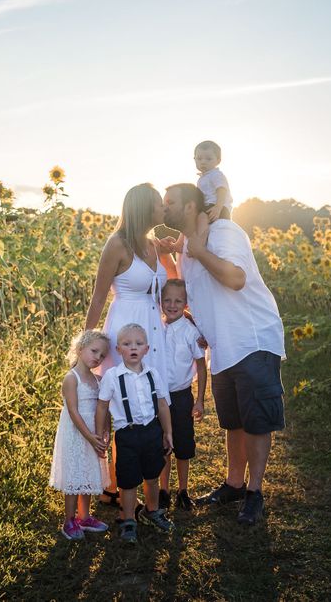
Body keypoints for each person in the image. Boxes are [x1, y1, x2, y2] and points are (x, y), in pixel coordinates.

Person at [162, 183, 286, 526]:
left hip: (252, 338)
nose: (164, 208)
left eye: (170, 202)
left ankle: (254, 493)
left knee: (257, 420)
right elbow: (190, 293)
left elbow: (234, 278)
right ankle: (234, 484)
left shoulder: (224, 231)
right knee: (233, 420)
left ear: (190, 206)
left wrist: (200, 251)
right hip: (222, 345)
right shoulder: (188, 245)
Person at [84, 183, 176, 508]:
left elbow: (171, 285)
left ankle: (152, 483)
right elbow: (97, 296)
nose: (164, 209)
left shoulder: (153, 245)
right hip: (123, 328)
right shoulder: (117, 244)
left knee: (151, 400)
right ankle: (113, 484)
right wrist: (86, 346)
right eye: (158, 205)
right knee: (119, 404)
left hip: (153, 332)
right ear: (142, 208)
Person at [95, 324, 175, 545]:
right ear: (118, 349)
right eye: (127, 344)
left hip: (151, 431)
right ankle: (128, 519)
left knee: (152, 474)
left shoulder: (153, 374)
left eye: (138, 344)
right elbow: (102, 406)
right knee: (128, 479)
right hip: (126, 435)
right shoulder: (112, 376)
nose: (133, 348)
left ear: (146, 349)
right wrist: (101, 432)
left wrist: (167, 431)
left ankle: (153, 510)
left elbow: (162, 404)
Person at [48, 330, 113, 540]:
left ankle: (84, 517)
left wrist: (105, 432)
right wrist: (88, 435)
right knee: (75, 475)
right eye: (94, 351)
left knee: (87, 474)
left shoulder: (98, 379)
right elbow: (73, 412)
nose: (97, 357)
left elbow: (105, 406)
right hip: (76, 434)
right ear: (80, 349)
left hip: (94, 433)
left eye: (102, 355)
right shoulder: (71, 378)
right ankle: (69, 521)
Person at [157, 279, 207, 511]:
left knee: (183, 445)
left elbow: (200, 365)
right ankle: (163, 490)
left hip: (181, 397)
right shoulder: (156, 328)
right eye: (167, 300)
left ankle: (183, 491)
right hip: (160, 398)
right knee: (163, 444)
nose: (172, 304)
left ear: (185, 304)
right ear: (160, 301)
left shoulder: (191, 332)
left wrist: (199, 400)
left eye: (178, 300)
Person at [194, 140, 233, 222]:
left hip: (218, 207)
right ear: (194, 159)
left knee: (198, 220)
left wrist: (218, 208)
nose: (203, 162)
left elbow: (222, 190)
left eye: (208, 159)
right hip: (208, 207)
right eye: (199, 159)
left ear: (218, 160)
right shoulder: (202, 178)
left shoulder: (216, 174)